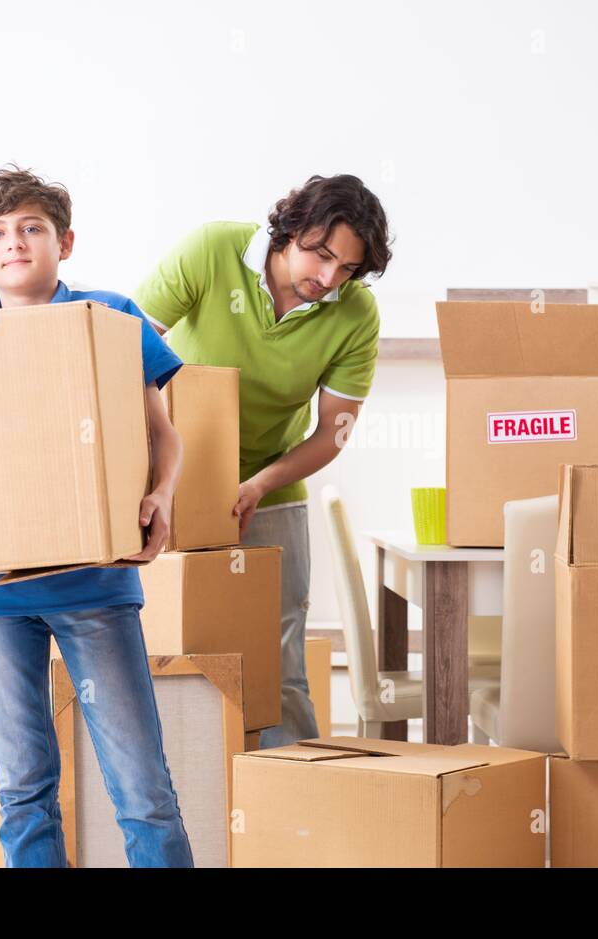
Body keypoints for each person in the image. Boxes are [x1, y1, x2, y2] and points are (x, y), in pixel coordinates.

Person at [0, 166, 194, 867]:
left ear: (66, 241)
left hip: (94, 580)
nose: (15, 242)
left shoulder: (110, 316)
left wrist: (162, 495)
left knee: (141, 782)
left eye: (32, 228)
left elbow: (163, 431)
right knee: (23, 786)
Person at [135, 174, 392, 748]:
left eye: (346, 269)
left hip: (271, 489)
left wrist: (257, 485)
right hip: (175, 480)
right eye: (321, 254)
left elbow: (333, 433)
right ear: (288, 228)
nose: (327, 280)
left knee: (280, 666)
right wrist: (158, 474)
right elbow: (129, 353)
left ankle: (294, 810)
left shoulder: (356, 314)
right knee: (171, 653)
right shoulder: (212, 251)